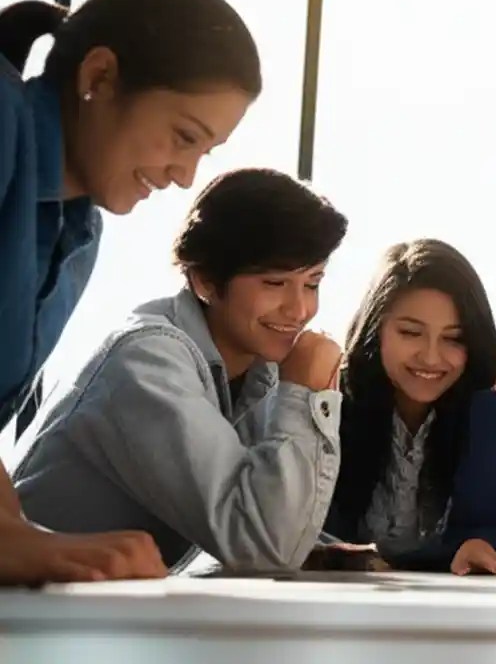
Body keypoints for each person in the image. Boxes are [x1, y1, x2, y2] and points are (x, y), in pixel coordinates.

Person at [0, 0, 260, 584]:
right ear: (98, 78)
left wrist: (23, 534)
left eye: (206, 152)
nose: (185, 175)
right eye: (183, 137)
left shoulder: (78, 233)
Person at [12, 168, 348, 574]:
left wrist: (321, 544)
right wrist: (304, 396)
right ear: (204, 281)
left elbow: (256, 516)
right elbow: (263, 546)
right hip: (24, 612)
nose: (299, 311)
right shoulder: (148, 361)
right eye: (274, 283)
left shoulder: (260, 369)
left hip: (94, 610)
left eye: (312, 283)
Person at [324, 239, 496, 576]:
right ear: (377, 330)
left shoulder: (487, 399)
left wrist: (475, 546)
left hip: (439, 595)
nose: (431, 357)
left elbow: (480, 521)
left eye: (453, 338)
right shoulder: (333, 391)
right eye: (411, 332)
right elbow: (301, 531)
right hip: (335, 593)